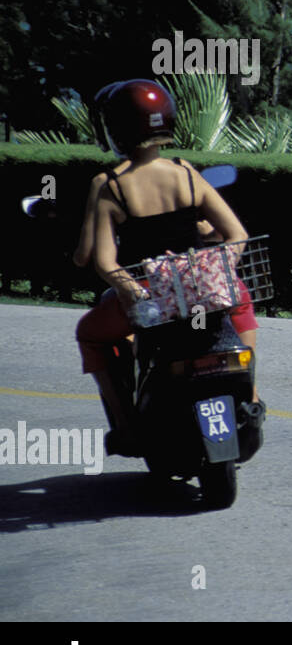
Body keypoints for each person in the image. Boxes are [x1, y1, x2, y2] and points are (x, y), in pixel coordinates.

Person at [74, 79, 260, 456]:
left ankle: (126, 428)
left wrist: (135, 289)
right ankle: (252, 399)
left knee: (90, 333)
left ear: (115, 129)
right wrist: (213, 274)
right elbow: (236, 235)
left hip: (155, 304)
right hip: (205, 298)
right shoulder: (186, 173)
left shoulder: (111, 186)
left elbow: (104, 262)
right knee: (240, 303)